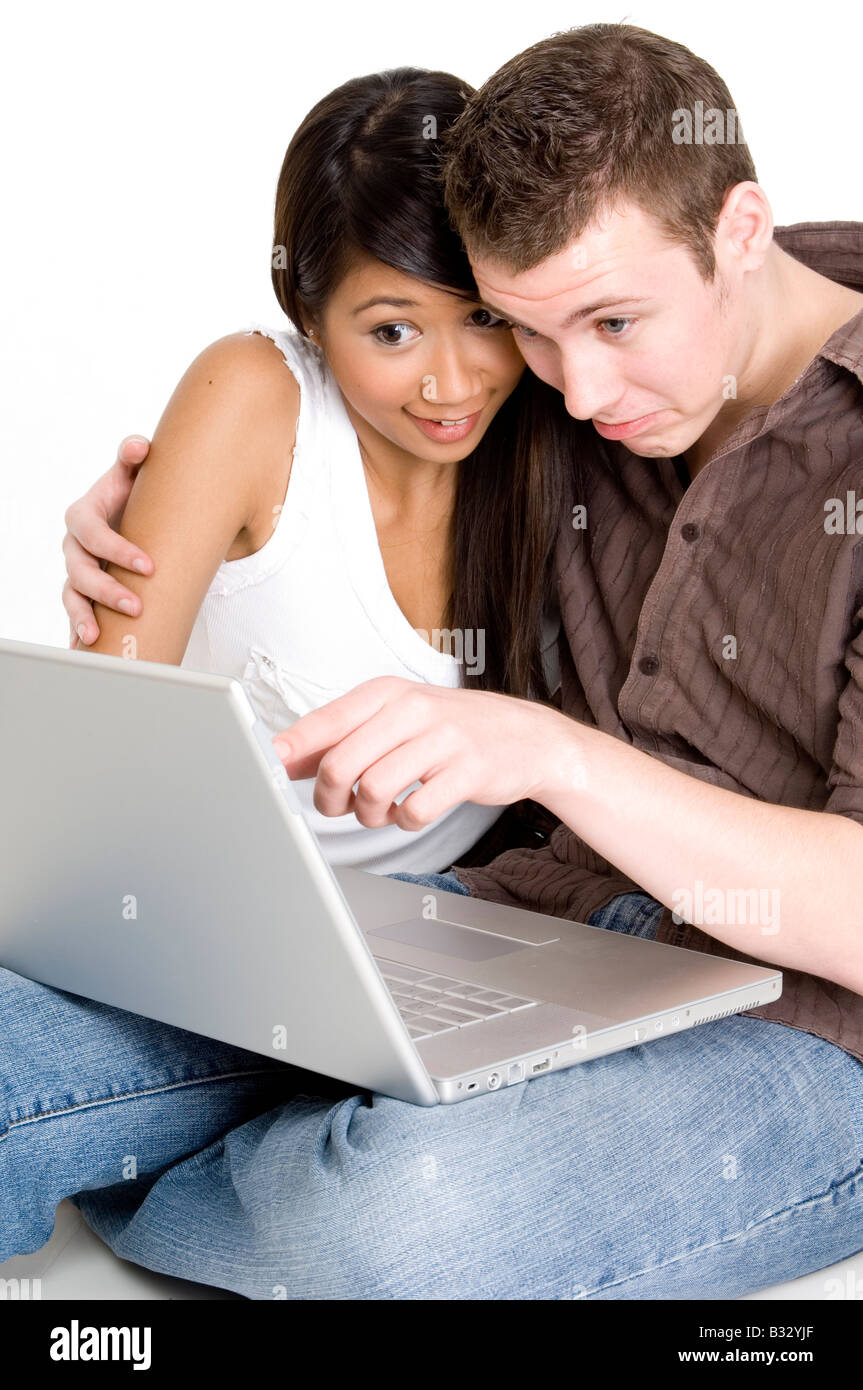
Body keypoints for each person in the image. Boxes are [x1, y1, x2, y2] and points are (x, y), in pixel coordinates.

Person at [13, 23, 863, 1299]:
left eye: (612, 323)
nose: (574, 393)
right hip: (529, 921)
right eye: (530, 332)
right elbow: (354, 420)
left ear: (740, 229)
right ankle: (267, 1131)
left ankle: (192, 1162)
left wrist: (552, 752)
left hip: (804, 1032)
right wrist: (155, 514)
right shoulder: (571, 353)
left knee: (398, 1226)